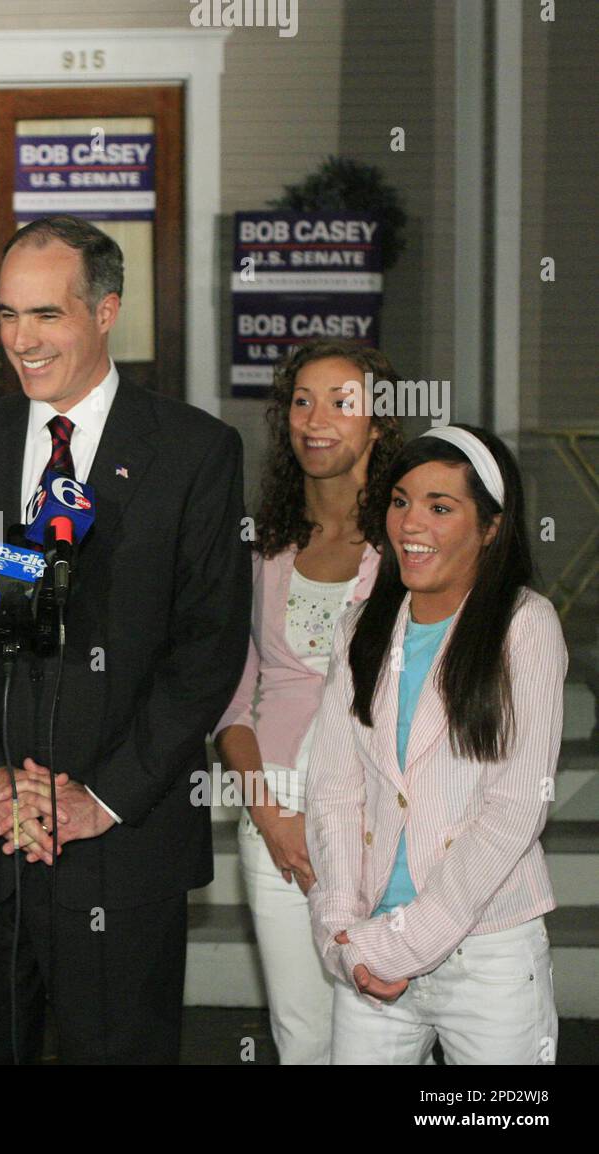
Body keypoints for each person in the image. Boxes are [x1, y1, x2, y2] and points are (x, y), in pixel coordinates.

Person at [0, 215, 250, 1063]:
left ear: (105, 312)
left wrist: (100, 797)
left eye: (47, 315)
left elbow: (207, 650)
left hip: (124, 843)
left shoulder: (197, 451)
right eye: (9, 315)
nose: (23, 339)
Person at [306, 425, 564, 1064]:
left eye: (440, 507)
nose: (410, 523)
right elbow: (334, 789)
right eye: (400, 500)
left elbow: (513, 811)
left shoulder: (525, 628)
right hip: (368, 947)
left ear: (492, 527)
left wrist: (407, 943)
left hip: (487, 951)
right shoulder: (359, 627)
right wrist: (340, 928)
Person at [213, 340, 403, 1063]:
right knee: (303, 1037)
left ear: (378, 423)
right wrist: (267, 812)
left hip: (387, 809)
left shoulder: (408, 541)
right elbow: (230, 703)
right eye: (302, 400)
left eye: (341, 401)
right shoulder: (263, 547)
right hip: (281, 810)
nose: (316, 419)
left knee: (382, 1037)